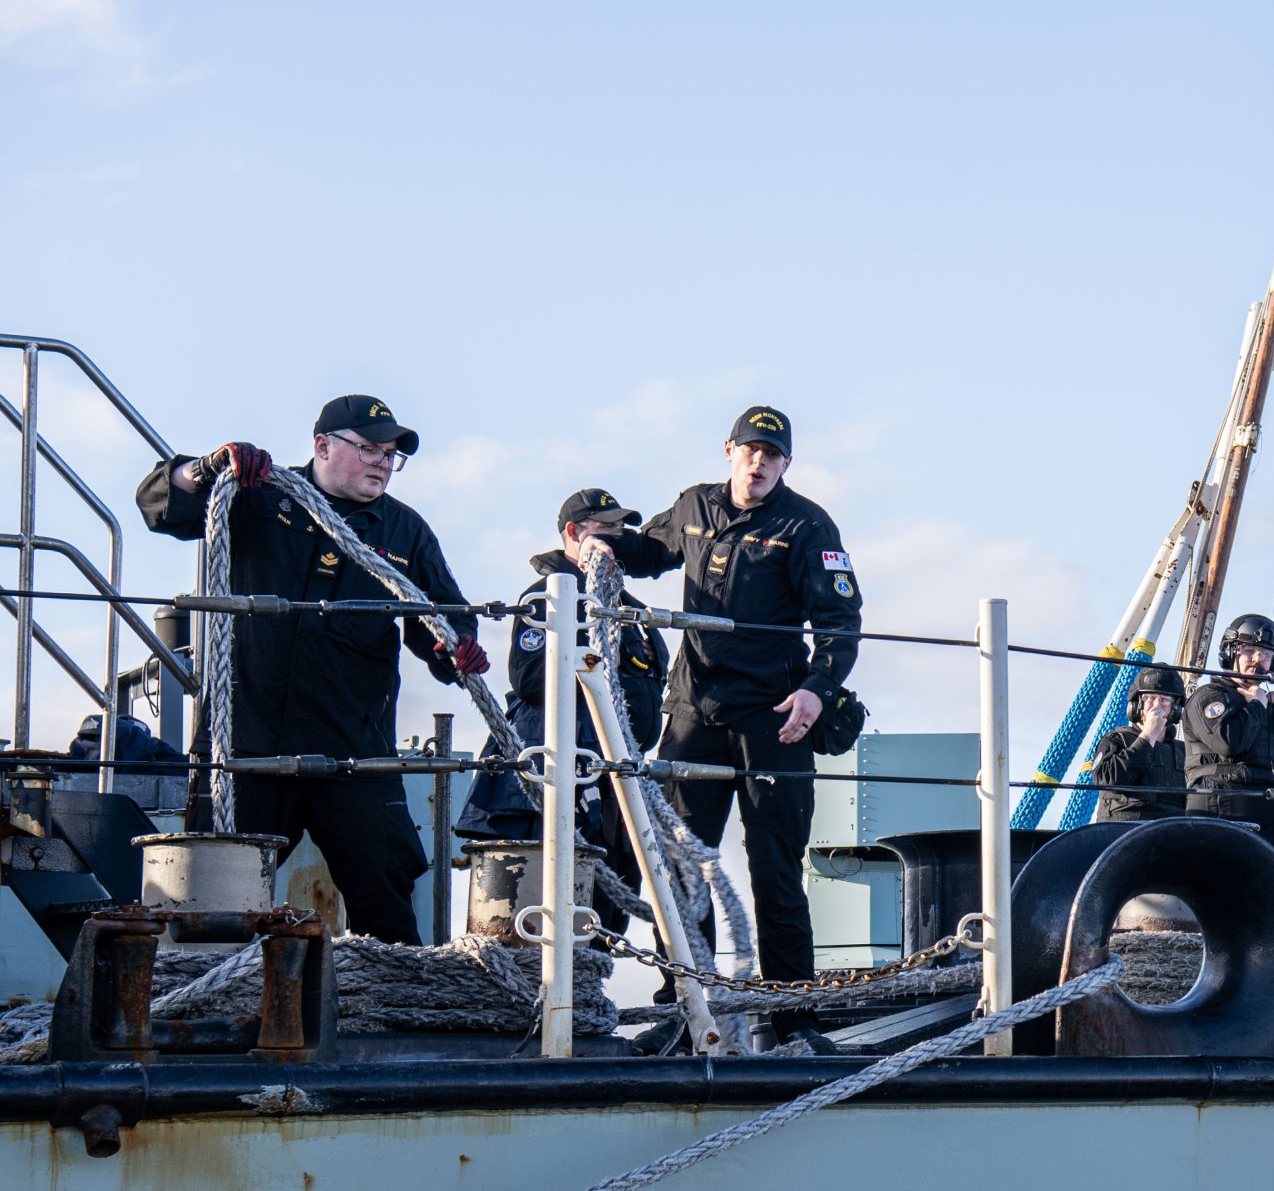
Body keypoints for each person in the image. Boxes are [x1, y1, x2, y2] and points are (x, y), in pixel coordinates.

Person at [136, 395, 485, 943]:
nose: (383, 462)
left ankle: (398, 1009)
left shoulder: (404, 532)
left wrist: (457, 648)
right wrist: (204, 468)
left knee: (385, 888)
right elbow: (162, 504)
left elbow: (442, 619)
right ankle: (206, 1003)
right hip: (245, 741)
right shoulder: (254, 496)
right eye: (369, 448)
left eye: (392, 454)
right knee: (213, 900)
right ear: (322, 445)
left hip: (354, 746)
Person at [603, 407, 861, 987]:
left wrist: (817, 692)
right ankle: (687, 1009)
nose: (760, 461)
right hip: (695, 710)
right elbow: (649, 554)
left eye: (772, 454)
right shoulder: (695, 504)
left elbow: (841, 621)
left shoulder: (808, 527)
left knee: (776, 873)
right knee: (682, 869)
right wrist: (599, 542)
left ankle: (794, 1017)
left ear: (786, 463)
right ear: (729, 450)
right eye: (751, 449)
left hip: (775, 719)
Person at [457, 489, 670, 937]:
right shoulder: (547, 599)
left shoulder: (628, 607)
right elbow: (530, 679)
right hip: (562, 778)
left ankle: (585, 1002)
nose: (616, 540)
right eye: (604, 530)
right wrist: (593, 649)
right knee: (548, 914)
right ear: (573, 533)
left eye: (620, 531)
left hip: (616, 778)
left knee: (609, 914)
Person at [1184, 613, 1274, 852]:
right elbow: (1229, 743)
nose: (1257, 659)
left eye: (1265, 654)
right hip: (1224, 828)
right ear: (1231, 652)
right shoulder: (1209, 697)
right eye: (1249, 650)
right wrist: (1255, 705)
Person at [1091, 666, 1189, 824]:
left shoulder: (1183, 751)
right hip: (1122, 834)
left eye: (1165, 699)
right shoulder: (1115, 741)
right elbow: (1107, 781)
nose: (1157, 705)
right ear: (1137, 704)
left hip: (1172, 836)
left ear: (1174, 709)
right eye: (1149, 697)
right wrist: (1148, 735)